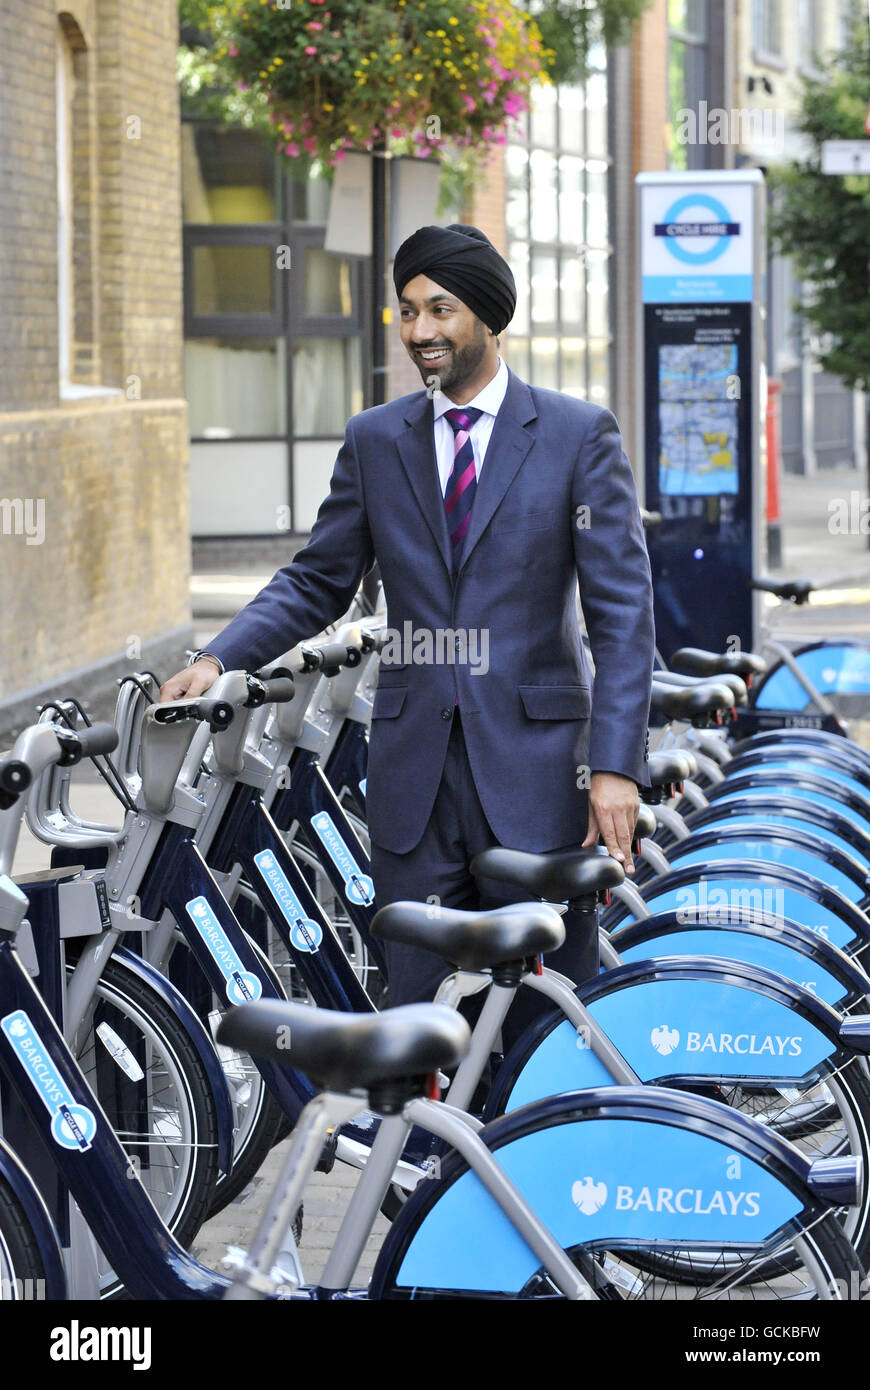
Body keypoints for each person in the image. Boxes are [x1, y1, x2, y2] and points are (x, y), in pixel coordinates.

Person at [160, 223, 655, 1038]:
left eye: (440, 309)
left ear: (488, 316)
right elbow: (318, 578)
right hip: (413, 786)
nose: (421, 329)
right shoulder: (376, 439)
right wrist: (219, 658)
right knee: (417, 1019)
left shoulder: (577, 435)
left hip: (540, 780)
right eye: (408, 311)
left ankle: (540, 1126)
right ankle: (429, 1131)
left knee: (544, 1026)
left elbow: (622, 614)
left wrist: (614, 767)